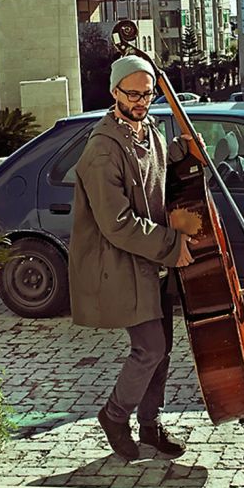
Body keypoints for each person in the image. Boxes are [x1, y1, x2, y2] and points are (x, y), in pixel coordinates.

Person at [69, 54, 196, 461]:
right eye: (133, 94)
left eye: (148, 93)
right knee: (150, 349)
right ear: (114, 93)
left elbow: (155, 173)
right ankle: (114, 415)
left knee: (163, 350)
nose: (142, 101)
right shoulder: (103, 150)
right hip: (122, 264)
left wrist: (181, 150)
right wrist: (172, 246)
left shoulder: (149, 130)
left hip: (151, 264)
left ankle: (150, 425)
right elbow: (118, 223)